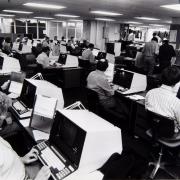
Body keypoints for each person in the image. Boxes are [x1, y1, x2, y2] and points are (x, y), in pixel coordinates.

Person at [145, 66, 180, 132]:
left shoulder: (150, 92)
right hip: (170, 134)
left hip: (152, 127)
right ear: (177, 83)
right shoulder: (176, 102)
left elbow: (147, 110)